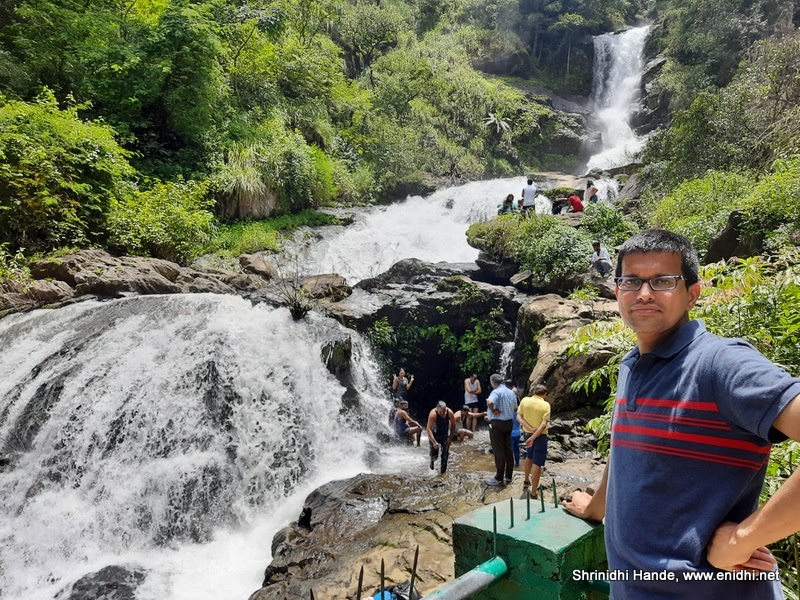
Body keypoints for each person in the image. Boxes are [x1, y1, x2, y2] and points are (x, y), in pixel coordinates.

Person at [562, 229, 800, 599]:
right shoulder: (632, 365)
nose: (643, 293)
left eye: (662, 281)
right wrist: (595, 509)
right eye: (631, 281)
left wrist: (743, 538)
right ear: (616, 291)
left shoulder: (721, 364)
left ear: (692, 293)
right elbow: (626, 452)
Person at [484, 374, 518, 486]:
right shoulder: (511, 392)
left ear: (493, 382)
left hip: (497, 424)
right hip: (509, 423)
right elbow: (515, 408)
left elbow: (490, 402)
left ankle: (498, 478)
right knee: (508, 449)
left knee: (498, 450)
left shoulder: (496, 392)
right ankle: (508, 476)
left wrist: (493, 411)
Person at [517, 383, 550, 497]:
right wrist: (534, 436)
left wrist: (530, 430)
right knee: (537, 463)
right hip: (540, 437)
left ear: (534, 392)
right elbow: (543, 425)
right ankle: (534, 492)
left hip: (527, 434)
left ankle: (526, 481)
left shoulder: (525, 400)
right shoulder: (545, 405)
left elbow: (519, 417)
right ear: (545, 394)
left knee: (529, 456)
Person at [427, 401, 458, 474]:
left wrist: (450, 437)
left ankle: (442, 472)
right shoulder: (433, 414)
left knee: (445, 453)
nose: (442, 413)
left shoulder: (449, 412)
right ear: (437, 409)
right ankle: (432, 463)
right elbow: (428, 429)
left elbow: (453, 424)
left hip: (444, 434)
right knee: (434, 454)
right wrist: (434, 442)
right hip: (434, 435)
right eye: (441, 411)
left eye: (444, 411)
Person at [510, 385, 522, 468]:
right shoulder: (519, 413)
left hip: (510, 434)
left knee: (510, 451)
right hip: (518, 433)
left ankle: (510, 465)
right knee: (517, 449)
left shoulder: (509, 414)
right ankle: (517, 464)